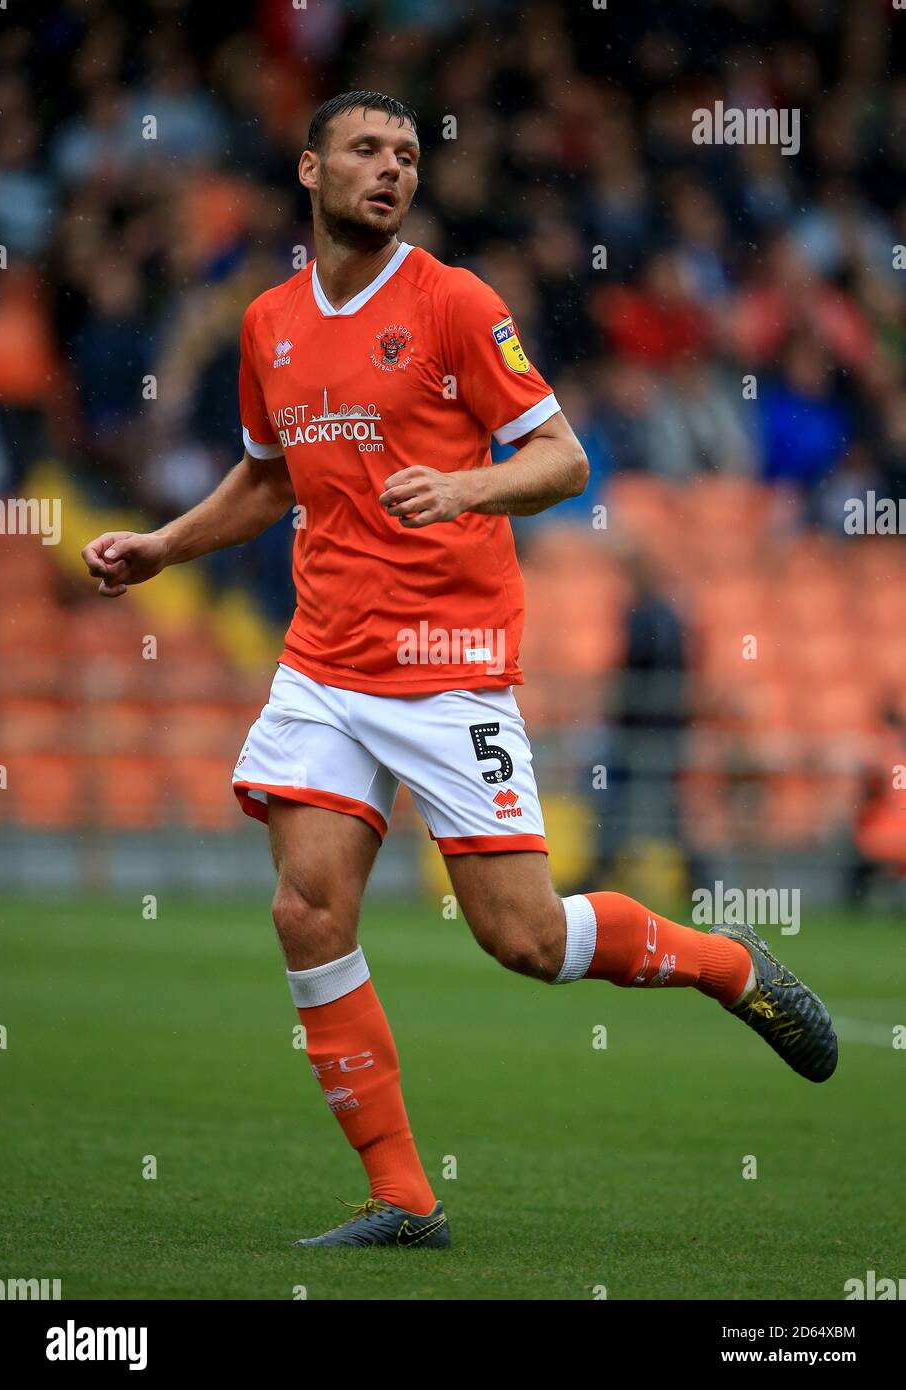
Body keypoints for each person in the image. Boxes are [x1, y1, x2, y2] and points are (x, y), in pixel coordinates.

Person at [81, 91, 838, 1251]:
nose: (392, 170)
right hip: (325, 660)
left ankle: (726, 964)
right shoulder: (269, 324)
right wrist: (160, 547)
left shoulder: (452, 303)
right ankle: (402, 1198)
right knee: (305, 907)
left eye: (407, 155)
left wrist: (465, 486)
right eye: (367, 151)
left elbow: (563, 457)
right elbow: (268, 477)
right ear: (309, 168)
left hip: (446, 665)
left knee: (524, 940)